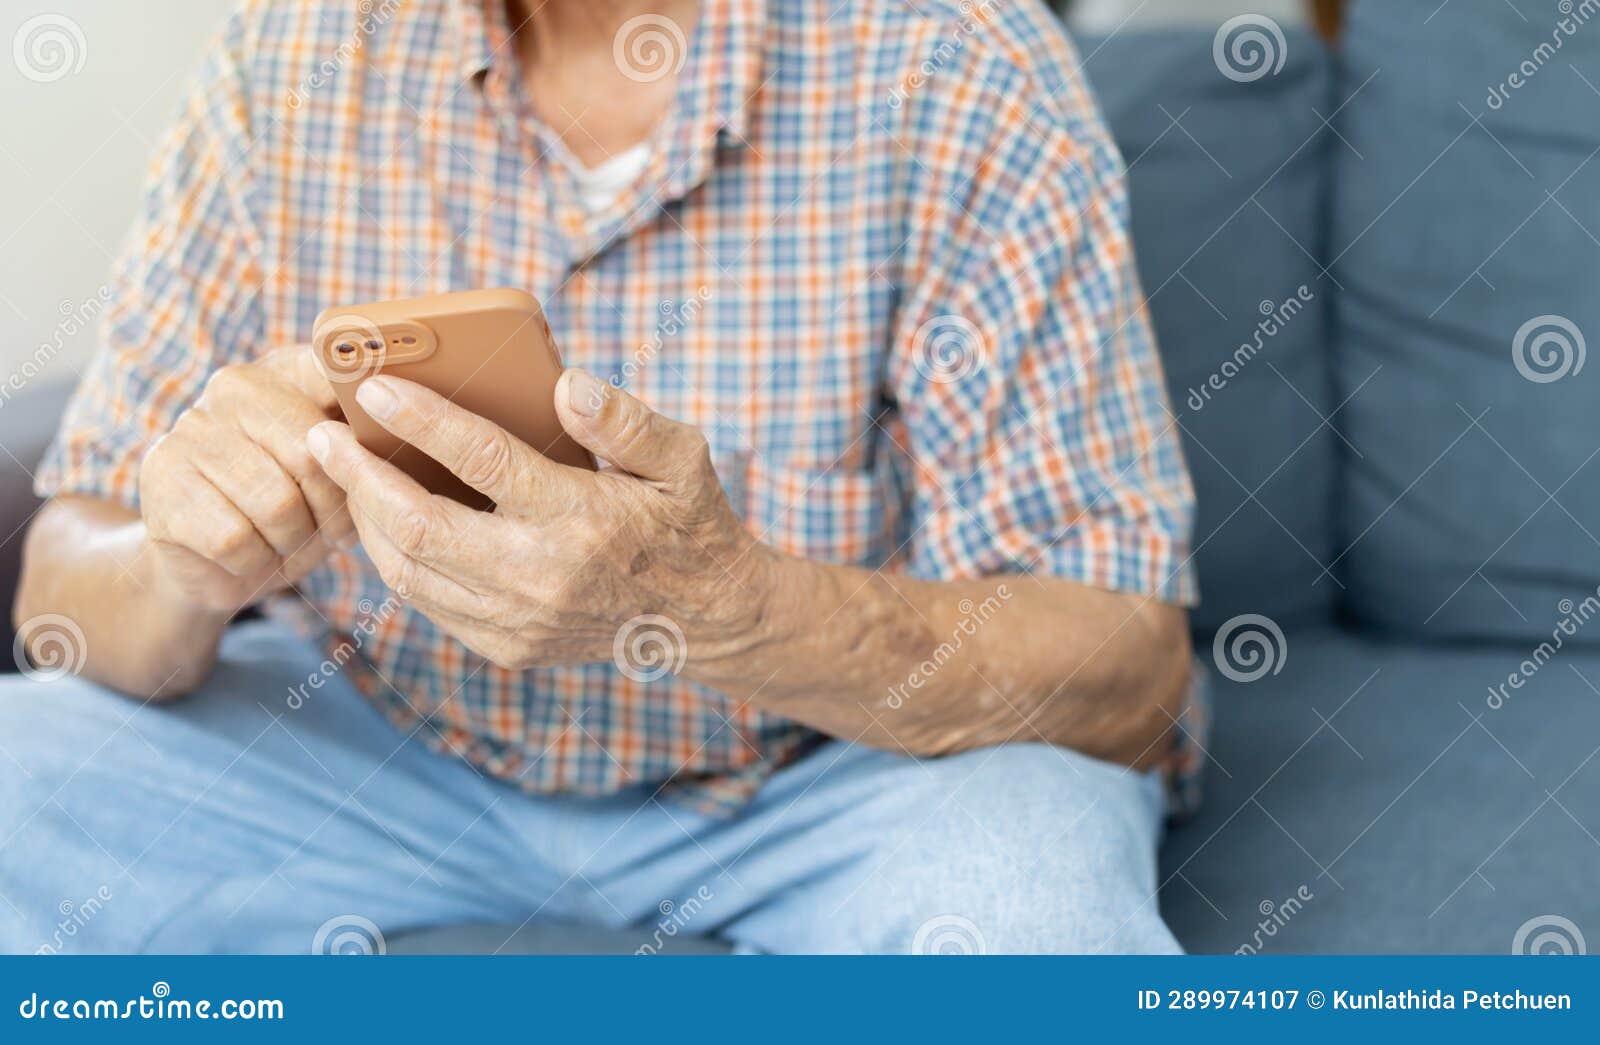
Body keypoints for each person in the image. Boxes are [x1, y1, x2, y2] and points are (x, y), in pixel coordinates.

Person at [1, 0, 1199, 954]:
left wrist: (721, 610)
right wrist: (179, 563)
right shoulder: (292, 51)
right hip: (377, 741)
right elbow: (62, 583)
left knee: (1030, 910)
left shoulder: (959, 60)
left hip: (834, 778)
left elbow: (1127, 665)